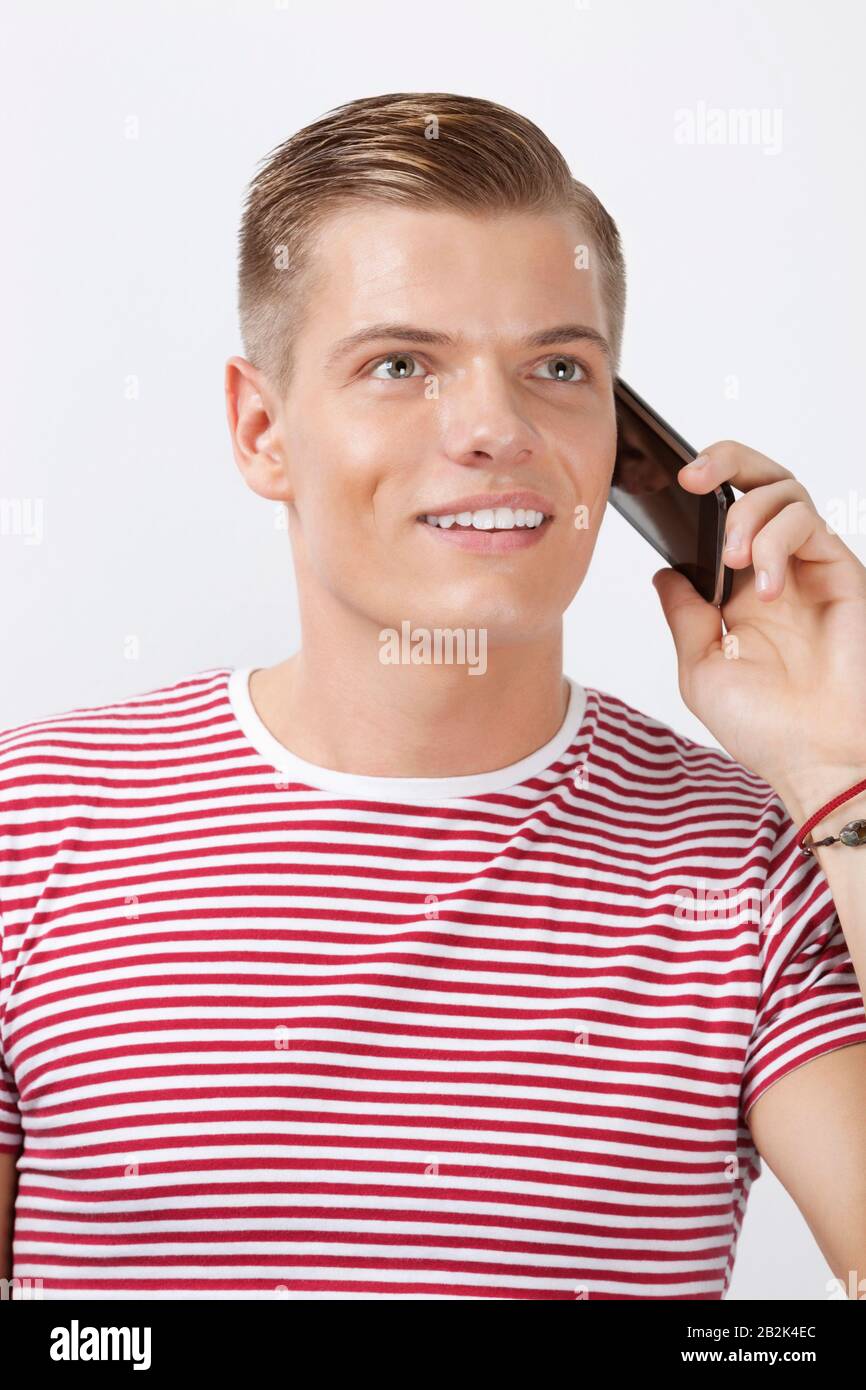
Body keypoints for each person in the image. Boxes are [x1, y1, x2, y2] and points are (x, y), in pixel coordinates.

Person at [1, 91, 865, 1302]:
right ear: (263, 430)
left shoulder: (761, 859)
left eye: (556, 366)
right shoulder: (29, 824)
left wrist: (839, 761)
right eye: (400, 363)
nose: (494, 429)